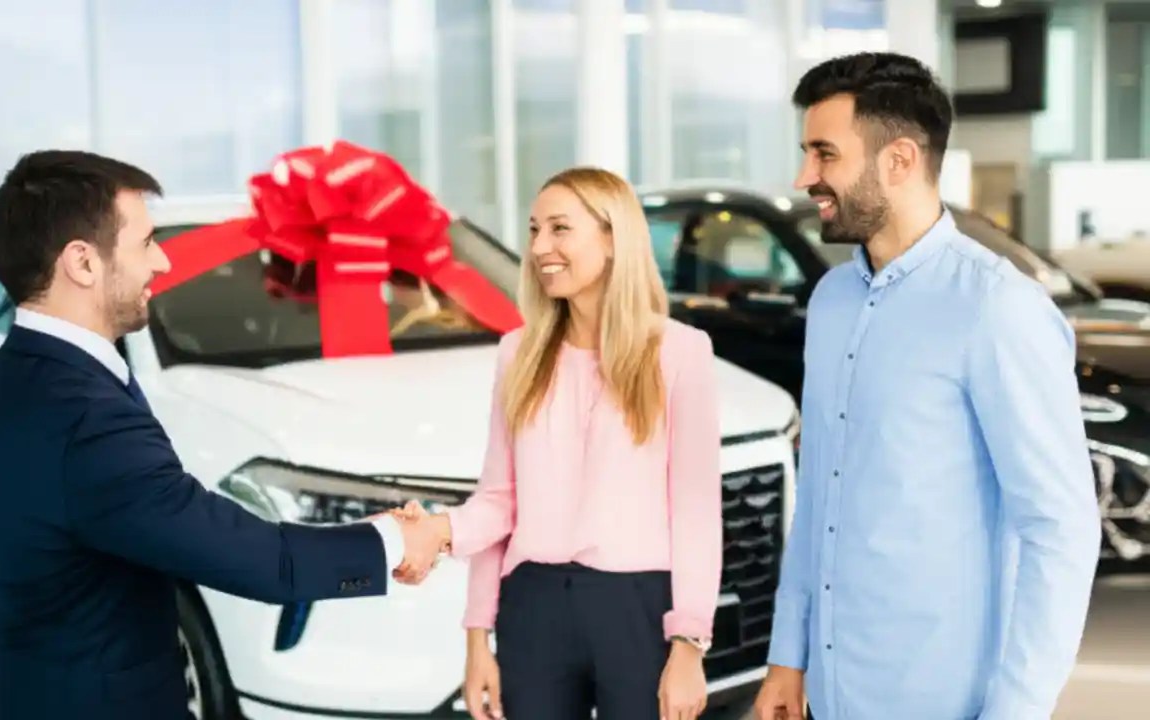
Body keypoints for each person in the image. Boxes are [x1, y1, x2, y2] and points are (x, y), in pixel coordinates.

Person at [0, 150, 447, 720]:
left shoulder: (2, 382)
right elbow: (263, 562)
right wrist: (393, 541)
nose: (162, 263)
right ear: (83, 263)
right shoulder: (87, 419)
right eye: (144, 243)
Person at [753, 52, 1101, 720]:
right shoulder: (830, 301)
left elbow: (1059, 528)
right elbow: (818, 489)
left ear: (900, 160)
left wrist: (1016, 710)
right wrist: (787, 657)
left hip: (944, 698)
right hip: (830, 691)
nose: (805, 178)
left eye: (825, 154)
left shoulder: (997, 308)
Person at [399, 167, 723, 720]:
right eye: (533, 230)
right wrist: (477, 633)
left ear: (612, 237)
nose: (540, 247)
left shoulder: (681, 352)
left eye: (559, 229)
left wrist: (689, 644)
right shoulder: (517, 353)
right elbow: (498, 499)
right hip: (533, 606)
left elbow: (694, 511)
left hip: (638, 606)